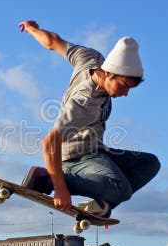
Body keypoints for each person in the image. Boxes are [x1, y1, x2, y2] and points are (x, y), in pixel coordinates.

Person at [18, 20, 160, 218]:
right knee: (122, 190)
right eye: (123, 85)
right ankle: (46, 180)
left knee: (150, 163)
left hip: (96, 150)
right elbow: (49, 143)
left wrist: (32, 29)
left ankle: (101, 204)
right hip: (74, 158)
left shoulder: (90, 58)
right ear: (108, 73)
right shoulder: (85, 103)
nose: (126, 93)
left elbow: (53, 41)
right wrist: (60, 189)